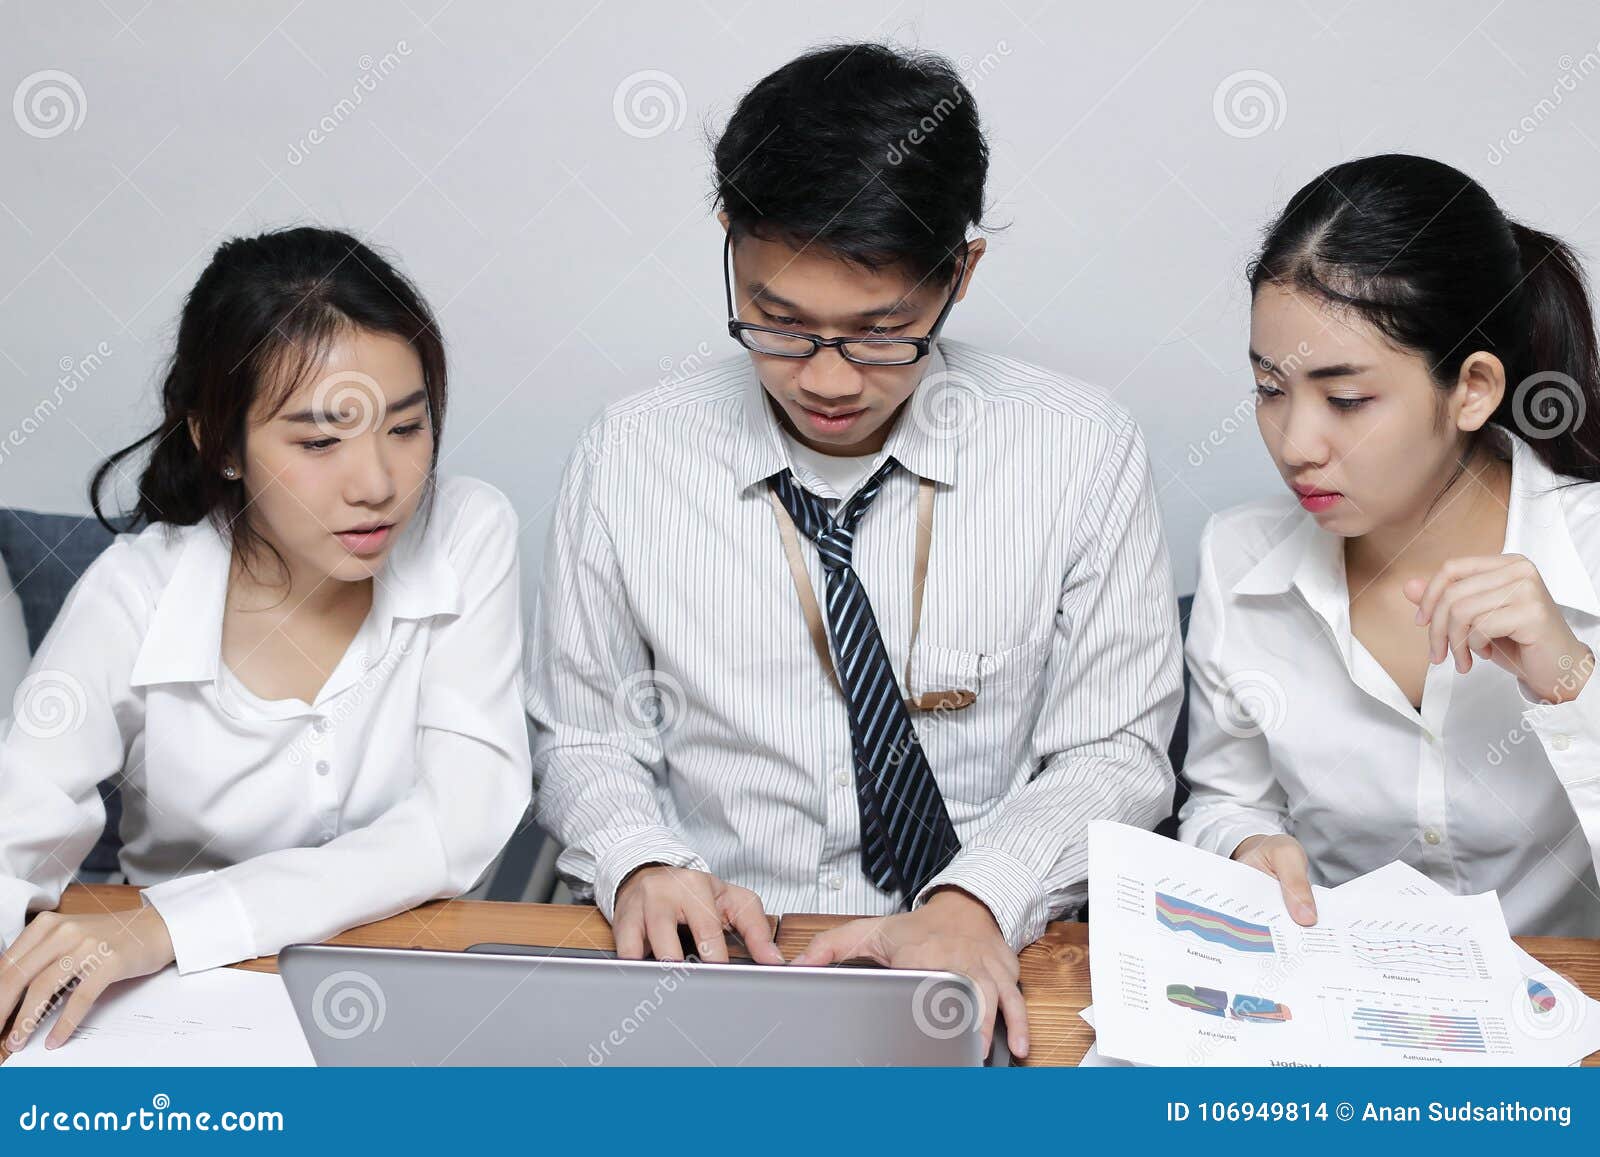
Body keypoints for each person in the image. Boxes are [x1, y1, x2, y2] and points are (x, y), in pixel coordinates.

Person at [528, 42, 1183, 1057]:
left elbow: (1114, 751)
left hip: (975, 955)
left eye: (882, 333)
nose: (827, 379)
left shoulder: (1079, 448)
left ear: (959, 273)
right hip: (716, 967)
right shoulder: (630, 453)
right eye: (780, 324)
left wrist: (978, 896)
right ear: (729, 241)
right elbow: (586, 738)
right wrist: (639, 860)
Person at [0, 227, 531, 1050]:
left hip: (420, 995)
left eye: (405, 427)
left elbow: (455, 828)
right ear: (219, 440)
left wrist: (168, 922)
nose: (378, 484)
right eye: (319, 441)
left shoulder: (468, 531)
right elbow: (13, 833)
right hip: (181, 1013)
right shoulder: (135, 591)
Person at [1179, 153, 1600, 938]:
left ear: (1472, 388)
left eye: (1346, 399)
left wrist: (1571, 679)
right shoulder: (1239, 556)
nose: (1296, 442)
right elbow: (1225, 797)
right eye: (1270, 390)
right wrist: (1242, 844)